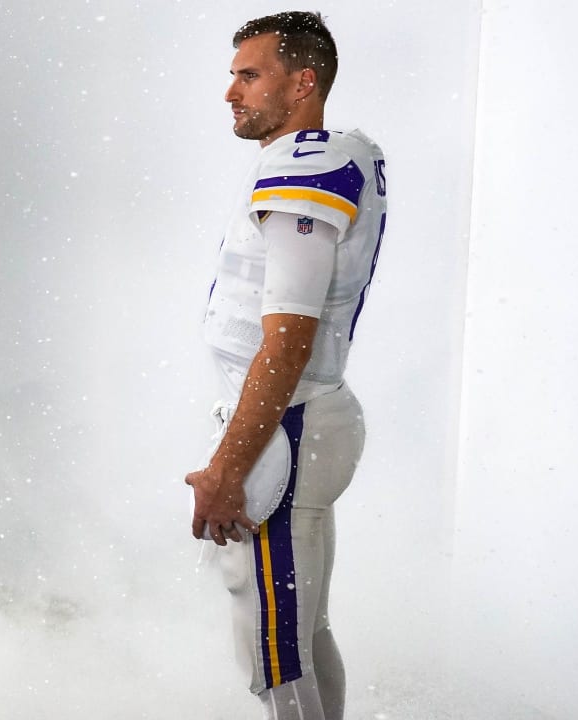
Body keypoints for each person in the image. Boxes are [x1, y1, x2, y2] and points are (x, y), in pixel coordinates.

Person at [184, 12, 388, 720]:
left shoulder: (307, 163)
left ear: (303, 81)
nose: (231, 93)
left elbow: (288, 340)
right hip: (304, 417)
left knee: (275, 650)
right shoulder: (334, 152)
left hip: (288, 428)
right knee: (300, 632)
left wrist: (226, 469)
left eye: (249, 74)